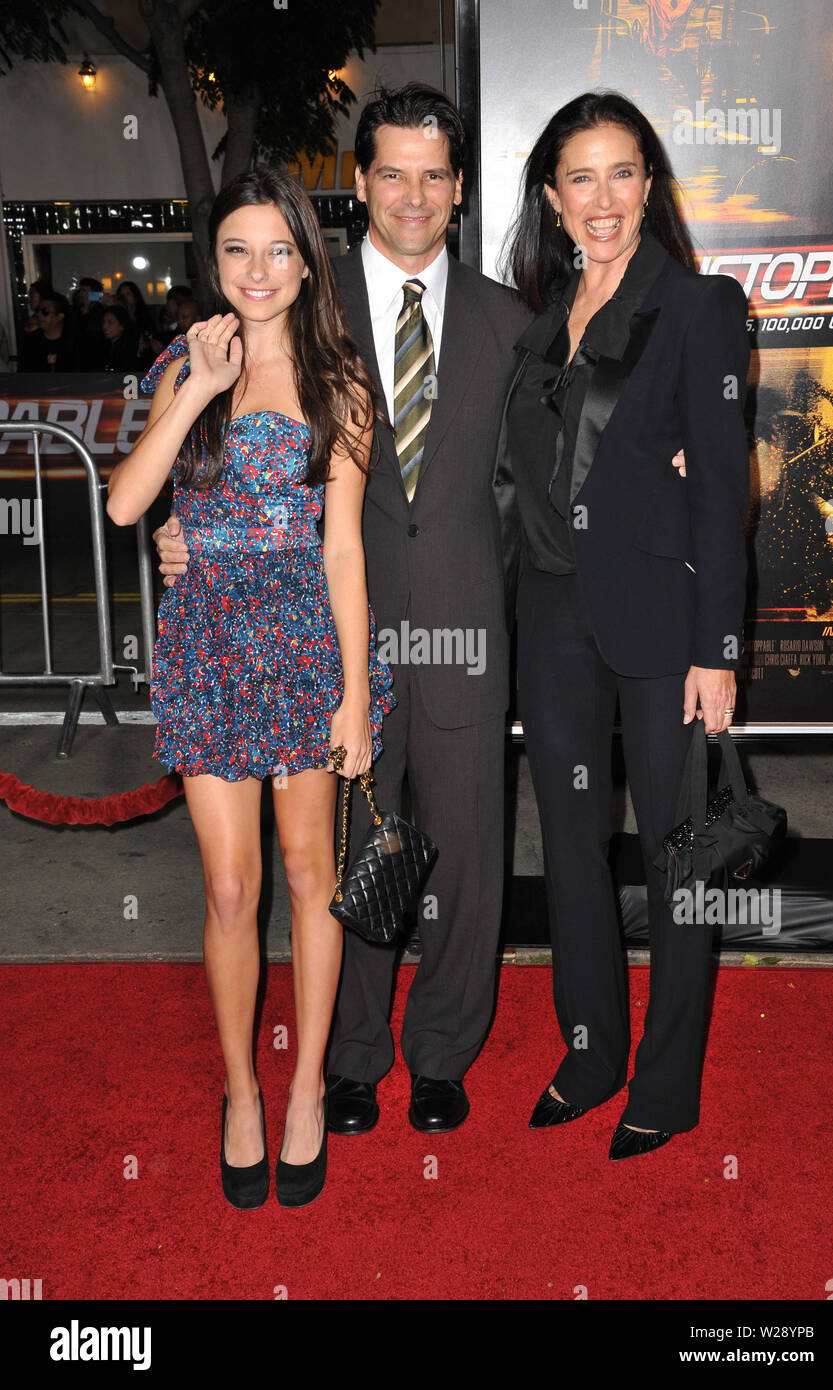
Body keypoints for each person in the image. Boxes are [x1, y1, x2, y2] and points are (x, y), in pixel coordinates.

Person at [155, 84, 534, 1137]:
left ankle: (445, 1051)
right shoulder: (307, 317)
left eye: (433, 175)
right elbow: (211, 461)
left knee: (461, 845)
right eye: (391, 172)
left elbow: (553, 472)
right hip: (326, 636)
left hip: (462, 628)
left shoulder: (511, 323)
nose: (411, 195)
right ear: (358, 182)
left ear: (459, 191)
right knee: (354, 851)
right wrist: (181, 530)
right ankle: (352, 1056)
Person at [107, 167, 395, 1208]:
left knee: (311, 876)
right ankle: (241, 1091)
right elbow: (129, 503)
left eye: (279, 249)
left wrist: (356, 696)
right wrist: (196, 390)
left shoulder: (342, 379)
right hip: (207, 647)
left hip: (305, 647)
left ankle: (308, 1082)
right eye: (237, 249)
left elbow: (347, 552)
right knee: (231, 889)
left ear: (306, 258)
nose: (258, 270)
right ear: (213, 260)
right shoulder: (183, 360)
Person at [495, 91, 750, 1158]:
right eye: (580, 178)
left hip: (662, 622)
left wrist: (717, 650)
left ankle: (667, 1079)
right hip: (550, 613)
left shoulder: (699, 308)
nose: (603, 199)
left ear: (650, 184)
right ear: (552, 199)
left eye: (623, 172)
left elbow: (723, 493)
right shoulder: (540, 318)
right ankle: (593, 1049)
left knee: (677, 859)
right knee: (572, 849)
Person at [18, 291, 76, 372]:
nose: (39, 314)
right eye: (38, 310)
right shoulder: (31, 341)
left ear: (60, 316)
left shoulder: (74, 342)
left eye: (45, 311)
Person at [100, 303, 145, 371]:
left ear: (122, 326)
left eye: (110, 322)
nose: (104, 326)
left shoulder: (129, 350)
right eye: (103, 322)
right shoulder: (104, 346)